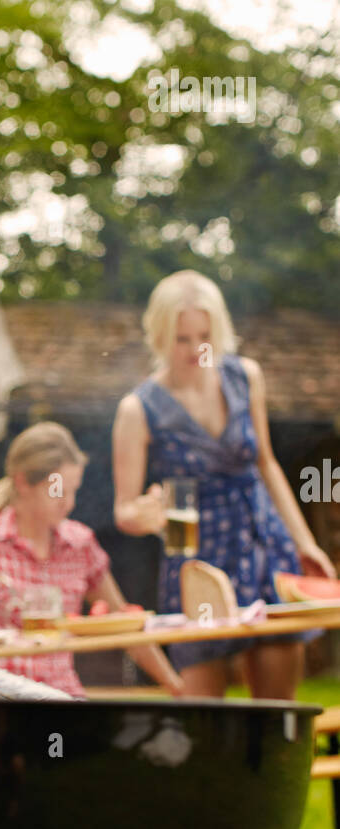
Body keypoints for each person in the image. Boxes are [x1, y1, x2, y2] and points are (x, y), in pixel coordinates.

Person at [112, 269, 335, 700]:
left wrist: (304, 543)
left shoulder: (245, 377)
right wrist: (144, 515)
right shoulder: (137, 409)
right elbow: (125, 509)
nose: (196, 349)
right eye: (182, 339)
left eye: (205, 335)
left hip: (261, 543)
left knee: (275, 714)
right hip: (193, 559)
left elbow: (266, 464)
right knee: (204, 722)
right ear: (159, 336)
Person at [0, 422, 184, 697]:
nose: (69, 503)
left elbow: (126, 629)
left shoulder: (80, 544)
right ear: (22, 482)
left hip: (61, 698)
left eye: (73, 490)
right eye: (59, 491)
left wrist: (177, 686)